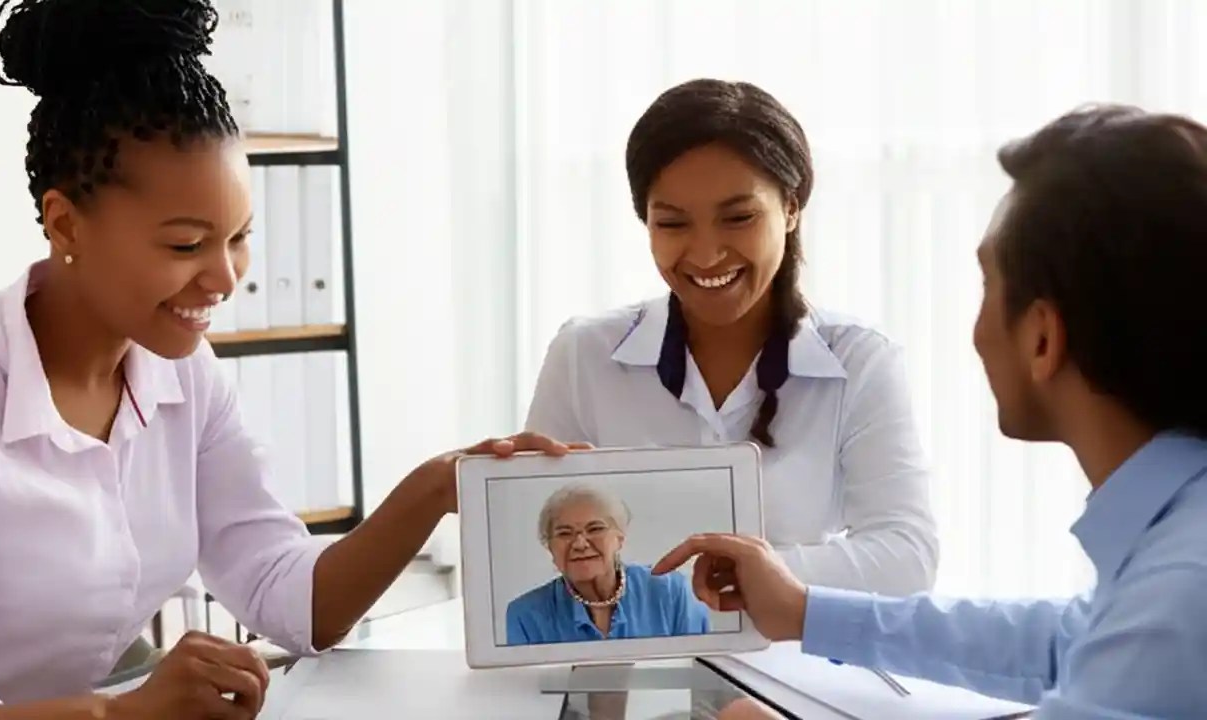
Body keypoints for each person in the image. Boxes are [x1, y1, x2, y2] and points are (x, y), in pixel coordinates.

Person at [0, 3, 586, 719]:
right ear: (64, 223)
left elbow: (291, 598)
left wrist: (438, 487)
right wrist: (127, 713)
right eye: (185, 245)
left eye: (238, 236)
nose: (224, 277)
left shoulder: (182, 373)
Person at [654, 104, 1207, 719]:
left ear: (1043, 339)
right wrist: (806, 609)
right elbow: (1067, 641)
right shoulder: (1171, 565)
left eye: (987, 286)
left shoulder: (1184, 592)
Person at [523, 78, 938, 597]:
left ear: (791, 208)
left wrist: (752, 572)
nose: (705, 253)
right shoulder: (584, 355)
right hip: (628, 673)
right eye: (673, 224)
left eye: (738, 218)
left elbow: (906, 558)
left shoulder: (860, 360)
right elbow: (530, 541)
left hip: (795, 670)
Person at [504, 483, 710, 645]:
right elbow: (526, 694)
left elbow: (698, 675)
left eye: (595, 529)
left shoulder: (673, 592)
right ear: (550, 547)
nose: (580, 544)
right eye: (564, 533)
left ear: (619, 538)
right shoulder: (525, 615)